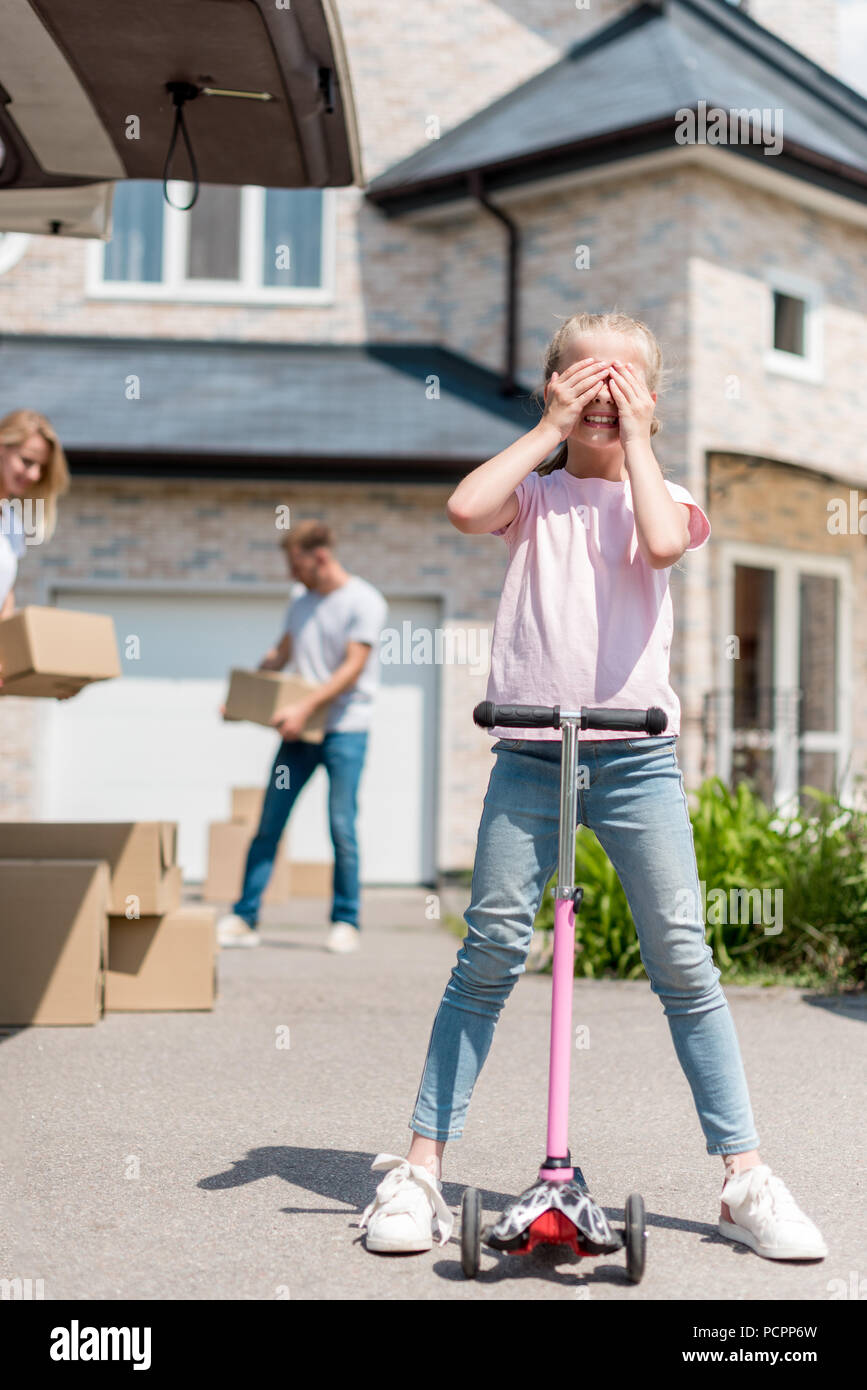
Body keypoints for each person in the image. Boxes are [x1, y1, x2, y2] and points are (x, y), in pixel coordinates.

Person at [359, 311, 827, 1263]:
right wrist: (548, 428)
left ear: (652, 401)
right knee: (488, 952)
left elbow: (659, 544)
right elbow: (461, 508)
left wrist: (640, 436)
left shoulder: (670, 494)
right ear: (552, 391)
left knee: (684, 962)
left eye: (623, 387)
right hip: (529, 755)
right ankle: (420, 1170)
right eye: (583, 383)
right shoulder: (531, 498)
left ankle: (743, 1176)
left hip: (635, 760)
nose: (602, 401)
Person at [216, 521, 388, 954]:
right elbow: (282, 652)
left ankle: (346, 921)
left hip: (345, 731)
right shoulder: (300, 600)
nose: (291, 574)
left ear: (321, 557)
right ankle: (244, 917)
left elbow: (351, 670)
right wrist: (244, 697)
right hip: (299, 733)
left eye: (296, 565)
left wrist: (304, 707)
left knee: (341, 825)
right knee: (269, 822)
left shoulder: (364, 602)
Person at [0, 409, 72, 691]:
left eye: (40, 466)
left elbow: (5, 593)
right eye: (27, 461)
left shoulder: (12, 524)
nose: (34, 474)